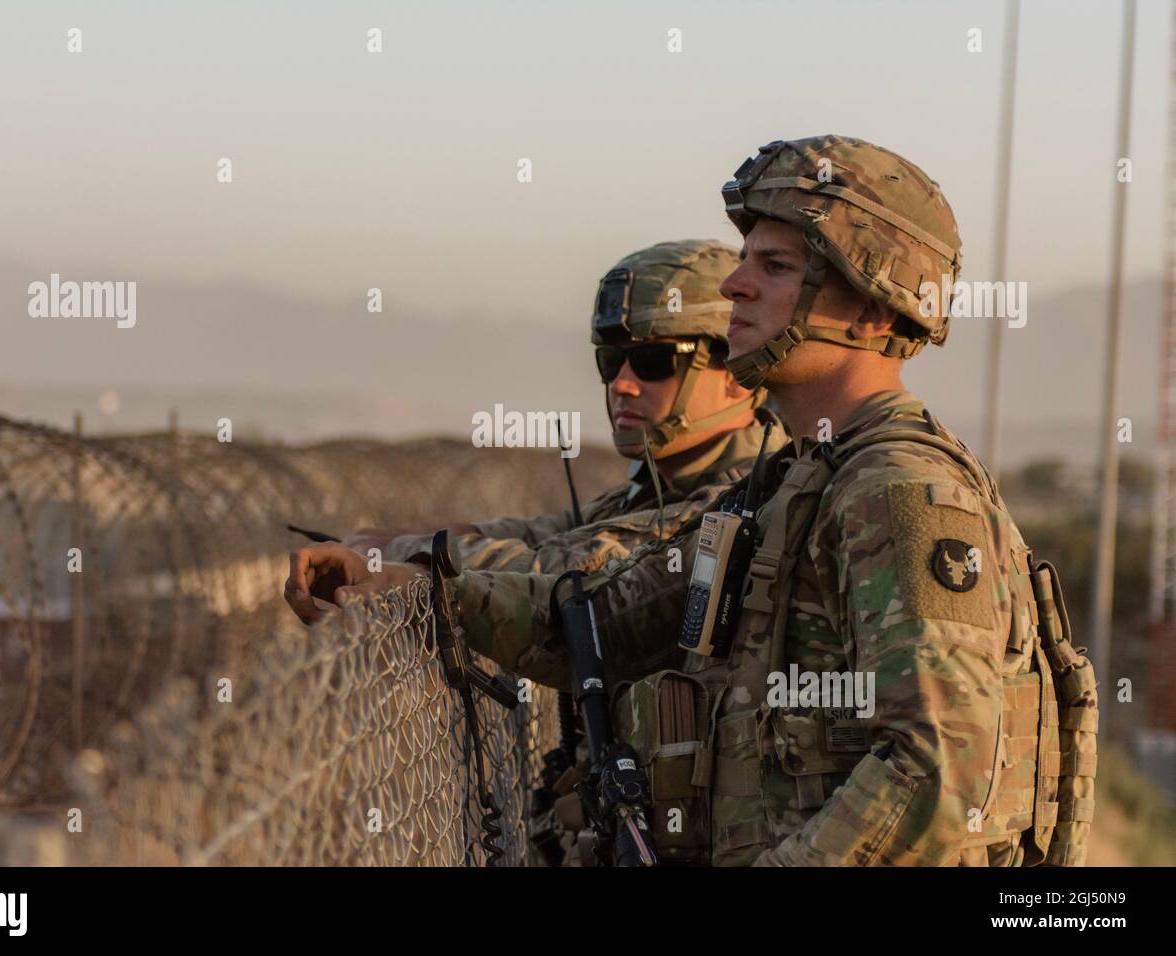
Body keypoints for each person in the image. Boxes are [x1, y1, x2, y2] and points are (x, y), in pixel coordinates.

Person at [286, 136, 1090, 867]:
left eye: (776, 268)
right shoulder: (796, 484)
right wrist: (418, 580)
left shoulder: (898, 491)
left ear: (873, 306)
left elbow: (936, 773)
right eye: (748, 260)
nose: (736, 285)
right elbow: (603, 621)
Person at [339, 238, 785, 578]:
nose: (622, 384)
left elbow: (571, 565)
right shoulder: (657, 487)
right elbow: (558, 531)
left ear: (736, 374)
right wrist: (404, 539)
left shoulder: (746, 498)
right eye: (611, 361)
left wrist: (396, 555)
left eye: (653, 362)